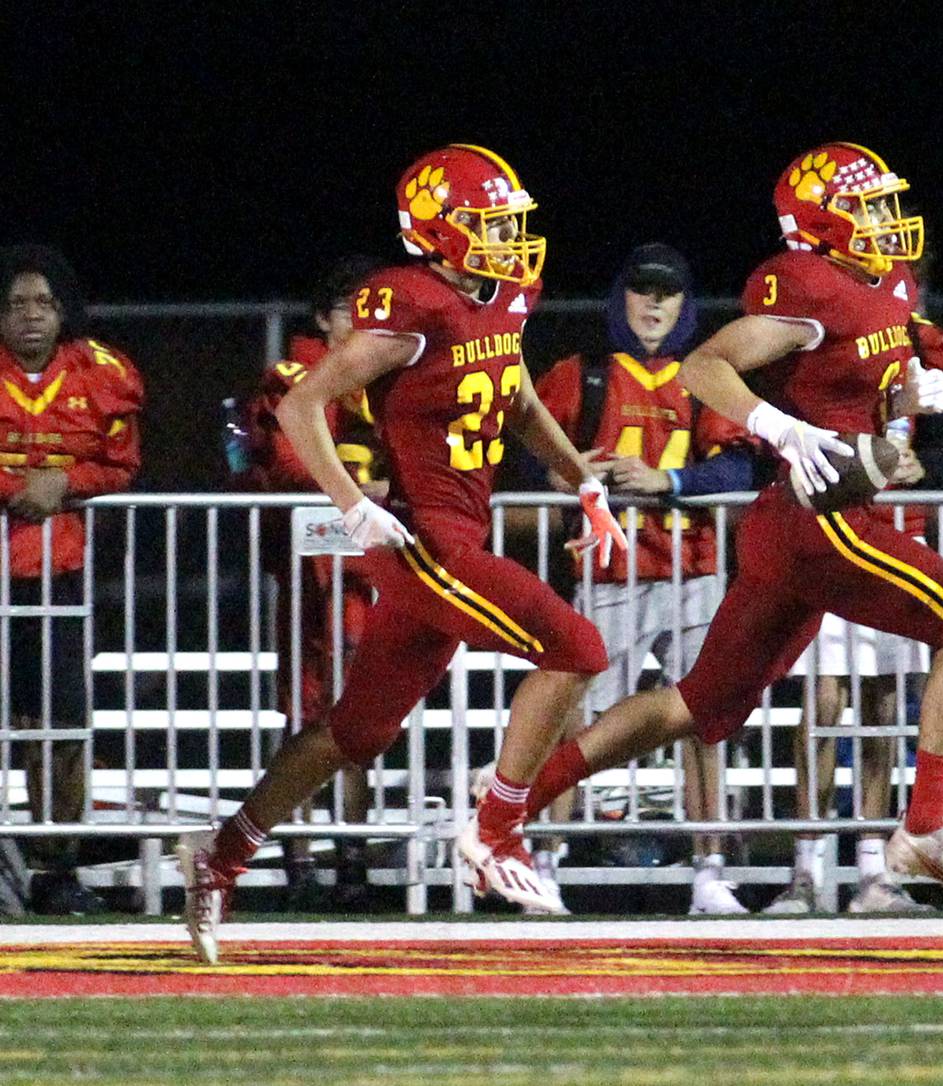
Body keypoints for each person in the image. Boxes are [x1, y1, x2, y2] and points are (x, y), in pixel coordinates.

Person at [491, 142, 943, 907]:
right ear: (825, 219)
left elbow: (854, 399)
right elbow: (705, 368)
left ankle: (506, 811)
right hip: (815, 514)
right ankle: (925, 825)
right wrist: (784, 430)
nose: (883, 219)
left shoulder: (890, 285)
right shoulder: (808, 285)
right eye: (865, 205)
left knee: (695, 703)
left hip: (795, 522)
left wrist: (907, 404)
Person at [176, 144, 626, 961]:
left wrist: (581, 481)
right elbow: (302, 407)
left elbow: (515, 394)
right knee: (577, 646)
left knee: (355, 732)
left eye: (506, 223)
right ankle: (495, 831)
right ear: (436, 231)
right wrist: (350, 506)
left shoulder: (501, 298)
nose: (505, 238)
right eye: (486, 223)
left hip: (455, 538)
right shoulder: (411, 303)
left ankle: (220, 856)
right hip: (422, 542)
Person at [520, 243, 755, 915]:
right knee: (574, 719)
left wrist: (668, 482)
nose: (654, 303)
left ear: (687, 303)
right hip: (608, 572)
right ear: (620, 296)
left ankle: (711, 873)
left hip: (693, 571)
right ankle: (544, 863)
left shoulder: (706, 374)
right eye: (642, 289)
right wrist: (570, 469)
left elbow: (739, 469)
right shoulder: (583, 373)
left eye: (669, 291)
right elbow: (525, 441)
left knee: (705, 718)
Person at [766, 309, 943, 915]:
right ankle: (807, 866)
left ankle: (874, 873)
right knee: (822, 699)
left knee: (884, 697)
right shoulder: (836, 333)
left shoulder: (928, 346)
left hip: (899, 531)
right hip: (833, 529)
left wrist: (928, 465)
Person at [0, 245, 143, 914]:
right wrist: (17, 487)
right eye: (16, 304)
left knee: (57, 718)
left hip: (59, 568)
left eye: (43, 303)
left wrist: (67, 483)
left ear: (64, 312)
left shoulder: (105, 373)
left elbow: (121, 464)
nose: (30, 317)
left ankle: (55, 866)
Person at [242, 254, 385, 908]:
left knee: (365, 718)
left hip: (373, 574)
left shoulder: (385, 380)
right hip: (309, 574)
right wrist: (365, 490)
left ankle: (353, 862)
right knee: (306, 718)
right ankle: (299, 864)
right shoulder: (290, 379)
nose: (361, 320)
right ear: (323, 318)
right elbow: (289, 467)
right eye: (349, 307)